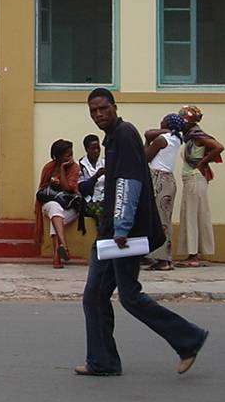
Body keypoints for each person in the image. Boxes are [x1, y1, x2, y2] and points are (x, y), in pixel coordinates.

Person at [75, 88, 209, 378]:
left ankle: (188, 338)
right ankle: (103, 361)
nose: (98, 114)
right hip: (112, 230)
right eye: (93, 110)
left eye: (103, 108)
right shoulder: (115, 137)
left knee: (128, 296)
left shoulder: (123, 134)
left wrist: (121, 227)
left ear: (114, 107)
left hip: (121, 234)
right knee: (96, 295)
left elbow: (129, 181)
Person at [176, 105, 224, 267]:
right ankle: (194, 252)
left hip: (194, 178)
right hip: (191, 179)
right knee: (193, 214)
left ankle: (193, 255)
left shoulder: (197, 136)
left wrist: (202, 162)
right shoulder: (189, 136)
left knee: (192, 215)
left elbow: (219, 146)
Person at [142, 113, 186, 271]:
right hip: (168, 180)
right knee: (164, 219)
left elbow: (145, 156)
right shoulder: (175, 139)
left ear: (166, 123)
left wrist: (147, 140)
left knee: (159, 220)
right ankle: (160, 256)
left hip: (158, 179)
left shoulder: (162, 139)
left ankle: (162, 259)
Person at [36, 139, 83, 269]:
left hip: (69, 205)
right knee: (55, 208)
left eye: (71, 154)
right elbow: (42, 189)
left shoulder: (74, 167)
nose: (71, 157)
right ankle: (64, 246)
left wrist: (62, 169)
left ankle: (57, 255)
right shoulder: (48, 168)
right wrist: (52, 183)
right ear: (58, 156)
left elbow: (68, 188)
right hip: (50, 203)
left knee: (56, 219)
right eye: (67, 155)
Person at [79, 133, 105, 221]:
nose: (96, 151)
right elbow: (82, 189)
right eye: (93, 149)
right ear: (86, 149)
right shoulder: (81, 166)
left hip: (105, 200)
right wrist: (96, 176)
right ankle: (103, 235)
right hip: (89, 202)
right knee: (103, 214)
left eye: (98, 148)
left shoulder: (105, 163)